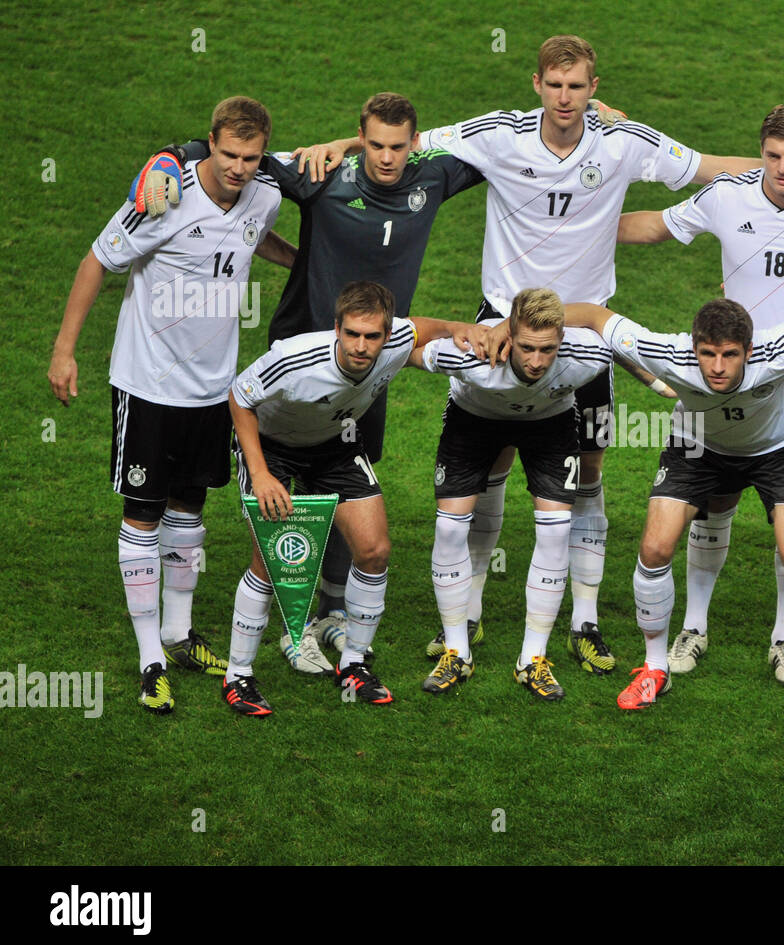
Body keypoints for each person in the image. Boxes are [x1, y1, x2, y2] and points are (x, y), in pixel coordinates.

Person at [304, 36, 784, 678]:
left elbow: (702, 166)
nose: (565, 98)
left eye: (577, 86)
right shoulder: (500, 135)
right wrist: (341, 145)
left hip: (588, 340)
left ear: (594, 87)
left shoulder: (623, 141)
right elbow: (407, 141)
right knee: (489, 465)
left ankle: (583, 621)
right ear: (537, 84)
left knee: (587, 474)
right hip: (504, 326)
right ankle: (469, 611)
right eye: (555, 85)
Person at [129, 92, 487, 675]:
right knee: (284, 496)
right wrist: (169, 158)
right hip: (300, 355)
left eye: (399, 146)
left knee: (354, 477)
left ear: (414, 145)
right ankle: (282, 623)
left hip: (369, 358)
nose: (388, 158)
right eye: (373, 144)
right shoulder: (323, 175)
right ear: (359, 137)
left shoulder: (435, 175)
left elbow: (508, 145)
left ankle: (332, 609)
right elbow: (240, 155)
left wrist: (597, 121)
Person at [48, 97, 287, 713]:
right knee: (144, 513)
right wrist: (64, 351)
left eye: (250, 158)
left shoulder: (264, 194)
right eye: (228, 154)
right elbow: (96, 262)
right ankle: (149, 656)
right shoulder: (165, 194)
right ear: (207, 142)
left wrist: (303, 259)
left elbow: (254, 237)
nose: (237, 168)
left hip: (213, 389)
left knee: (190, 507)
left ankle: (179, 635)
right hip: (147, 384)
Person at [616, 104, 784, 684]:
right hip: (724, 381)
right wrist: (585, 222)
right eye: (773, 157)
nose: (783, 169)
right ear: (762, 154)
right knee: (715, 505)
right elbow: (656, 225)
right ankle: (695, 625)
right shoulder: (727, 197)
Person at [563, 297, 784, 721]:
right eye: (708, 354)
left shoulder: (780, 347)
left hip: (778, 448)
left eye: (730, 355)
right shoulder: (670, 353)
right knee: (654, 549)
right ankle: (653, 667)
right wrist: (511, 325)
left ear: (749, 351)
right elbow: (593, 315)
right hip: (698, 443)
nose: (717, 366)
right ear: (694, 348)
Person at [224, 282, 493, 714]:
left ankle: (354, 664)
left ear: (387, 335)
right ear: (337, 329)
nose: (361, 347)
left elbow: (420, 328)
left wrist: (456, 326)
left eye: (372, 336)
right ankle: (238, 675)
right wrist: (259, 474)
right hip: (272, 448)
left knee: (374, 551)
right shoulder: (295, 357)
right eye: (351, 334)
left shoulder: (397, 339)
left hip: (335, 444)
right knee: (270, 562)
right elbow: (239, 397)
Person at [416, 288, 614, 700]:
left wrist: (661, 382)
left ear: (563, 338)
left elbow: (629, 341)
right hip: (475, 419)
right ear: (508, 335)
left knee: (557, 531)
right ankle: (456, 651)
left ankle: (532, 659)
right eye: (526, 348)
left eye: (548, 350)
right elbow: (405, 346)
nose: (537, 361)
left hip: (550, 422)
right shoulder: (468, 354)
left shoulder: (589, 356)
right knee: (451, 529)